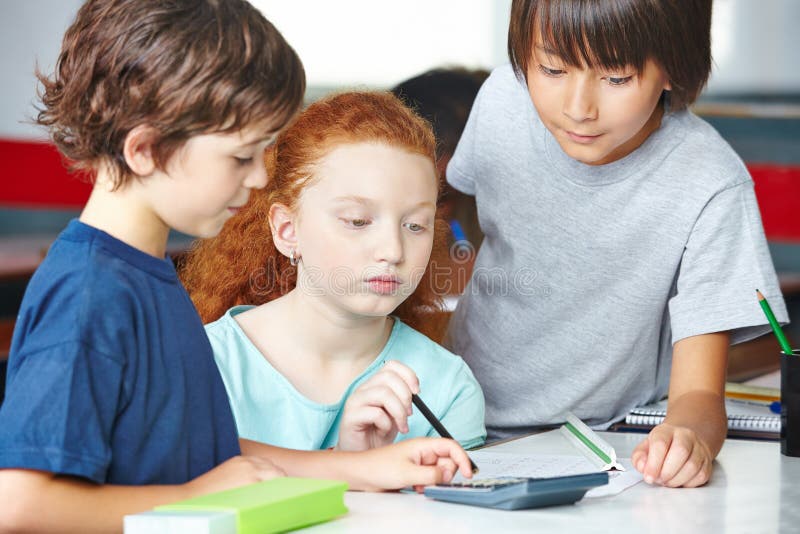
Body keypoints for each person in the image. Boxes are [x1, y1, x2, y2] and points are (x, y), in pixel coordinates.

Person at [0, 2, 472, 531]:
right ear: (146, 149)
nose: (255, 180)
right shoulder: (90, 295)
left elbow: (202, 446)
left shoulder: (147, 278)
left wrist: (354, 468)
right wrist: (191, 497)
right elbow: (19, 505)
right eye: (241, 156)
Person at [445, 0, 788, 489]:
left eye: (616, 78)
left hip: (601, 443)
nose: (578, 108)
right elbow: (447, 236)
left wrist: (687, 438)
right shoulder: (503, 97)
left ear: (674, 67)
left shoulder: (710, 181)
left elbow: (698, 397)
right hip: (454, 420)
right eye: (552, 69)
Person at [179, 91, 486, 453]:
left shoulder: (448, 388)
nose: (393, 250)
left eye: (416, 225)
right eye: (357, 221)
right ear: (287, 230)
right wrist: (349, 464)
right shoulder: (204, 366)